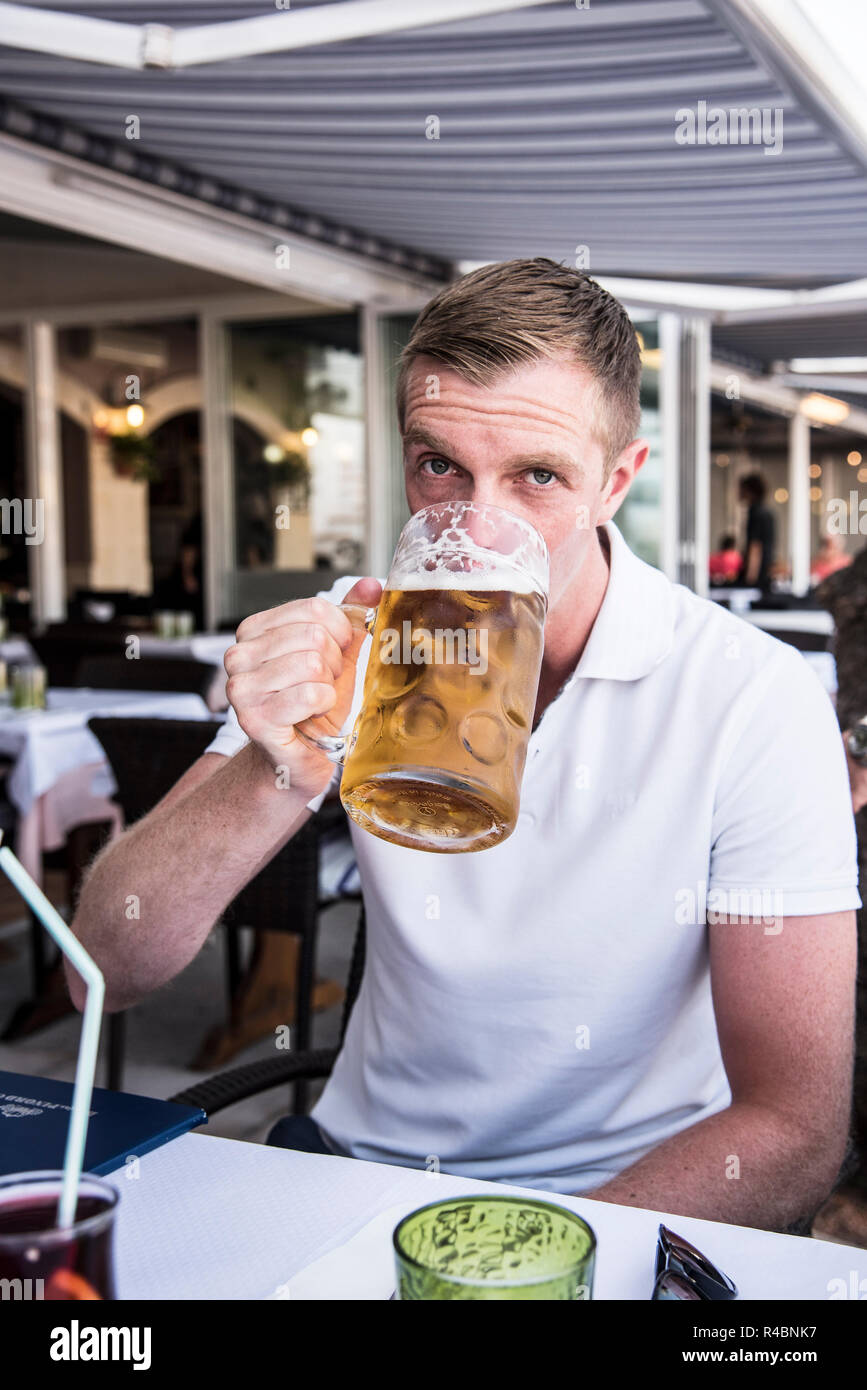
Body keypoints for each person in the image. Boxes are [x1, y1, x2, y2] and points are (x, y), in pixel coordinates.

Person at [67, 260, 859, 1233]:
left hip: (632, 1208)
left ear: (617, 481)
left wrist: (515, 1261)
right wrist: (280, 767)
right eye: (440, 465)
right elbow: (99, 966)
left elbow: (795, 1127)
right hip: (361, 1179)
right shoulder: (354, 634)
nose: (477, 532)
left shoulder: (751, 695)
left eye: (537, 475)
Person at [737, 472, 776, 592]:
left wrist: (750, 579)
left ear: (749, 491)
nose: (738, 492)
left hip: (757, 576)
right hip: (765, 572)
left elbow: (755, 546)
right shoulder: (767, 512)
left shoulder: (756, 512)